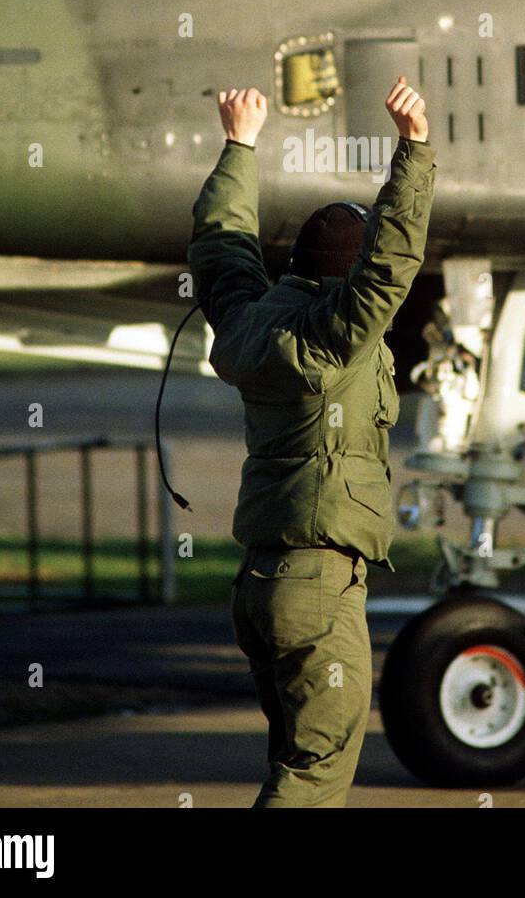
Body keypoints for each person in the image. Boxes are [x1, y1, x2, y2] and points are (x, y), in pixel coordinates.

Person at [187, 76, 436, 807]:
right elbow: (389, 268)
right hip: (319, 589)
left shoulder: (248, 324)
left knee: (293, 762)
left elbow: (221, 252)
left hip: (263, 586)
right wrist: (413, 152)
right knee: (315, 776)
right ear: (341, 286)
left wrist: (240, 145)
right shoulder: (336, 336)